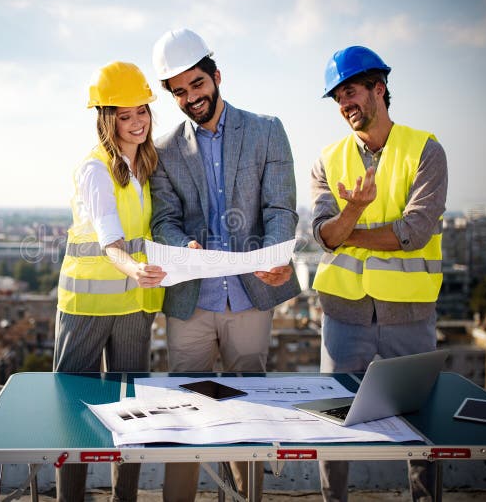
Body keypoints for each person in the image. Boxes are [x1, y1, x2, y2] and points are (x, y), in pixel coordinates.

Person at [149, 28, 301, 502]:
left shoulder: (267, 130)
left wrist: (276, 256)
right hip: (191, 302)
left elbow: (280, 208)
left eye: (197, 84)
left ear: (217, 76)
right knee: (184, 416)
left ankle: (243, 497)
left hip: (250, 297)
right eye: (179, 91)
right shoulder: (163, 150)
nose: (191, 97)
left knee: (247, 414)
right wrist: (183, 248)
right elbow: (164, 219)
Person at [310, 46, 448, 502]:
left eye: (351, 91)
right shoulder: (327, 159)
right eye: (337, 97)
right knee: (334, 422)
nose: (344, 103)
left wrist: (346, 232)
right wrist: (353, 211)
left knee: (420, 425)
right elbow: (323, 235)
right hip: (343, 315)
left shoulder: (425, 150)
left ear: (379, 89)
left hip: (408, 314)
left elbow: (414, 233)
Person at [54, 61, 167, 502]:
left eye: (142, 111)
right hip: (87, 307)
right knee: (75, 411)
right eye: (125, 115)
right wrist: (133, 268)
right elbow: (109, 240)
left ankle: (125, 498)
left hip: (135, 306)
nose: (137, 122)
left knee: (132, 412)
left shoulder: (148, 164)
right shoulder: (96, 169)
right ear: (106, 119)